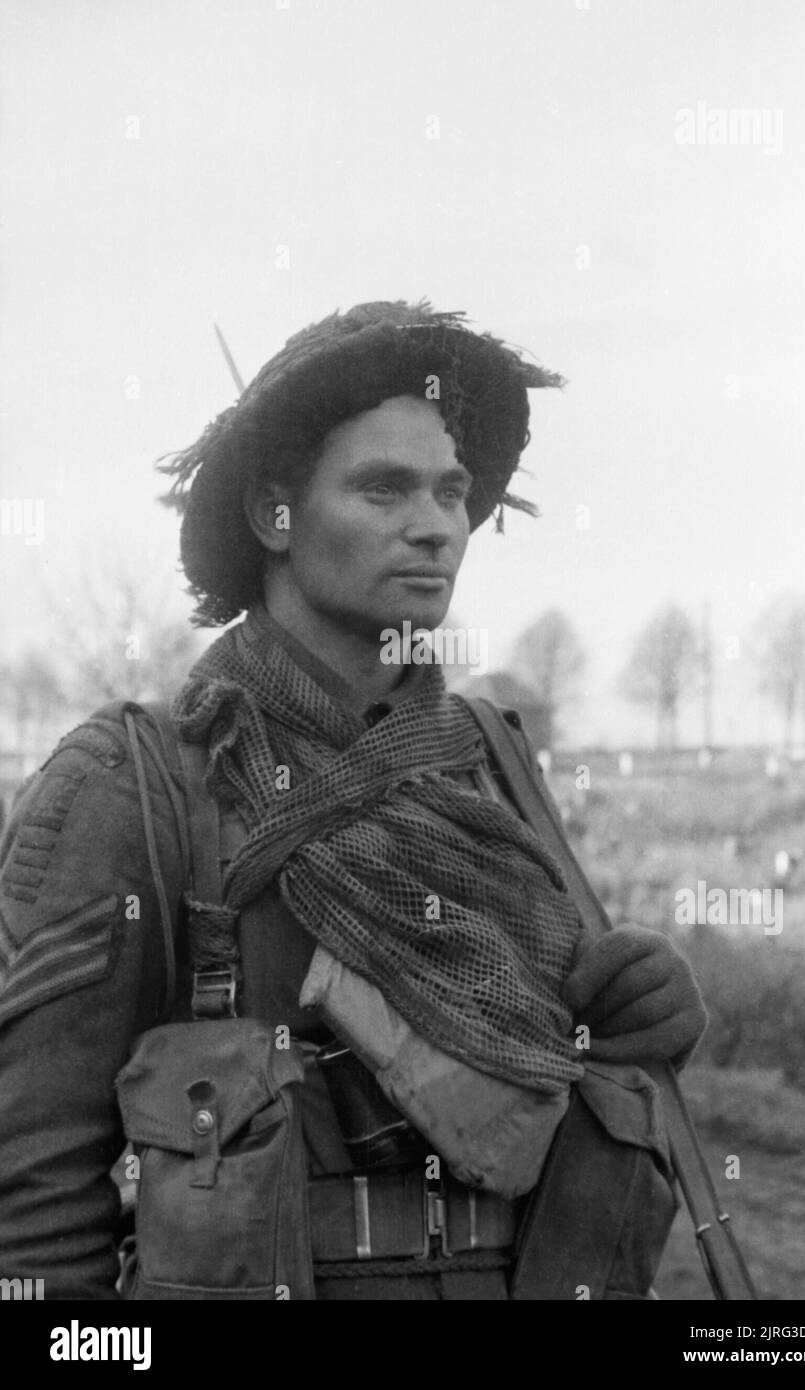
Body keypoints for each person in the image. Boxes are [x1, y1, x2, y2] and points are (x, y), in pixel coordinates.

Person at [0, 300, 706, 1300]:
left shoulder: (490, 768)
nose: (433, 525)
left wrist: (635, 1008)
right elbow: (32, 1193)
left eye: (452, 491)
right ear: (272, 516)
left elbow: (548, 1059)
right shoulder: (139, 787)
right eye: (383, 487)